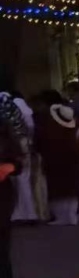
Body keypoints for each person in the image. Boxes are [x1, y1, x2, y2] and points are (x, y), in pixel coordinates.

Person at [33, 91, 79, 226]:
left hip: (54, 158)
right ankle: (72, 215)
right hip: (72, 156)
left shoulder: (48, 121)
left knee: (57, 187)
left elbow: (41, 139)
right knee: (71, 186)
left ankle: (61, 216)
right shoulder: (71, 121)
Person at [0, 70, 38, 223]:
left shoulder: (3, 100)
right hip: (22, 142)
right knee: (23, 179)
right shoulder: (17, 102)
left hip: (9, 144)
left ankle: (22, 213)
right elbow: (29, 123)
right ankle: (26, 213)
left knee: (16, 181)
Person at [0, 104, 25, 278]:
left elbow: (18, 162)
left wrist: (10, 167)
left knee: (2, 254)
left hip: (2, 198)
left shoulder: (4, 129)